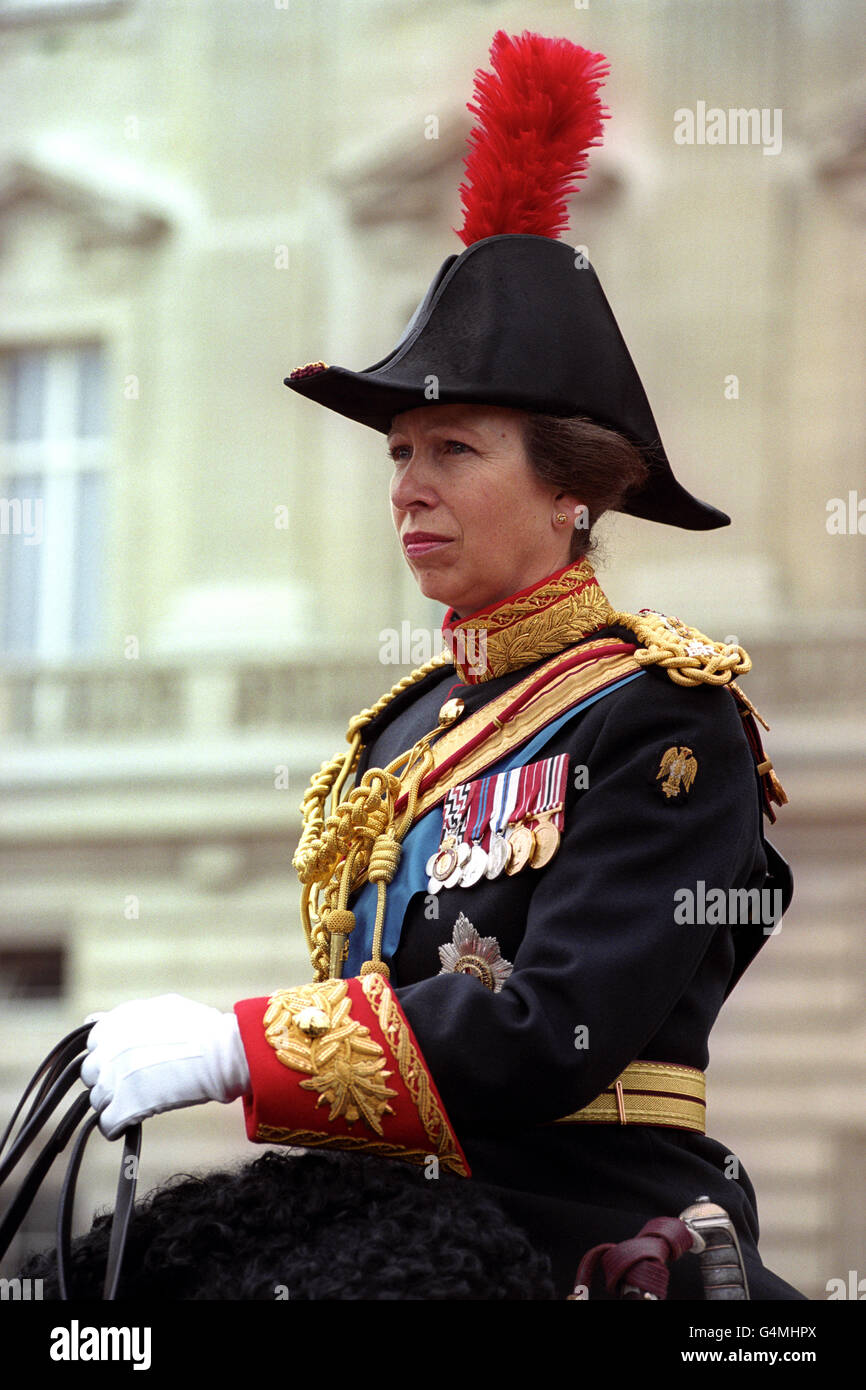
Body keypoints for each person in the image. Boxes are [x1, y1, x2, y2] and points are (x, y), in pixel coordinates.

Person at [81, 30, 804, 1300]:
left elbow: (546, 1033)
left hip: (581, 1211)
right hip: (384, 1200)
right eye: (397, 453)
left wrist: (240, 1049)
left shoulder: (657, 720)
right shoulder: (403, 726)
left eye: (451, 450)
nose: (406, 490)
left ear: (574, 488)